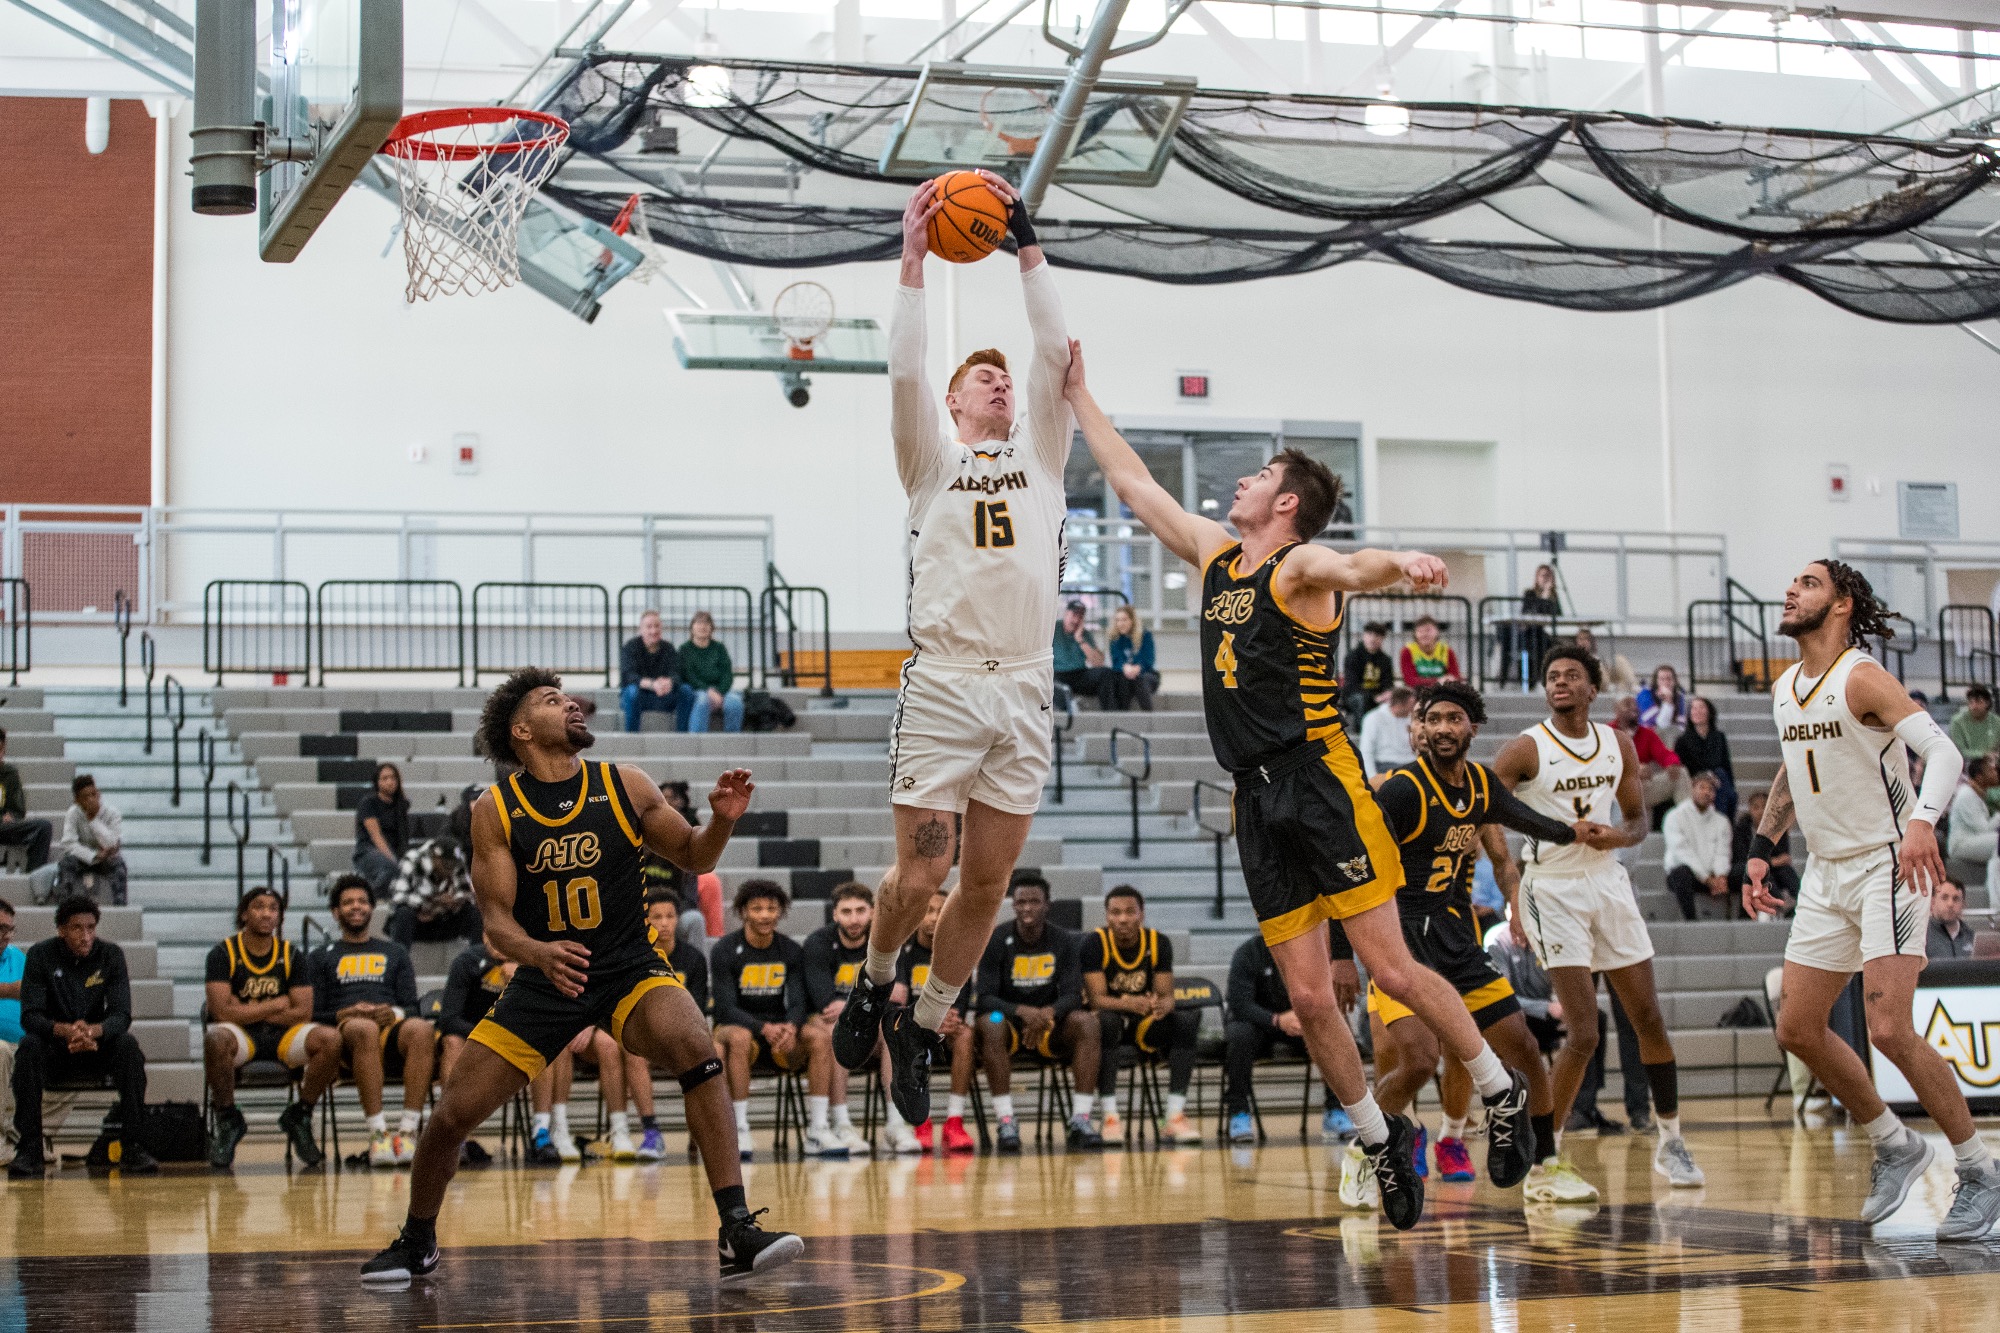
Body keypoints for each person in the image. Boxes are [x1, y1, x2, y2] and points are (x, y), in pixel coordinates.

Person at [1062, 348, 1535, 1233]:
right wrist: (1079, 393)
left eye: (1259, 474)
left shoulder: (1299, 567)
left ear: (1285, 504)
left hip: (1322, 782)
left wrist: (1407, 562)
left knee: (1392, 966)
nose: (1239, 480)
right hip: (1253, 795)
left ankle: (1503, 1091)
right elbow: (1130, 484)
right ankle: (1377, 1138)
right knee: (1313, 997)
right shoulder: (1214, 556)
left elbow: (1355, 567)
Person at [362, 670, 798, 1284]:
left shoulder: (624, 783)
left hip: (628, 967)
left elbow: (695, 855)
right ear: (521, 731)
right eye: (551, 700)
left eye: (567, 697)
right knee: (450, 1118)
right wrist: (538, 953)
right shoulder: (496, 810)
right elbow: (496, 925)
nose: (570, 704)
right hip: (548, 979)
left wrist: (722, 820)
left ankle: (736, 1231)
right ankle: (417, 1241)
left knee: (697, 1047)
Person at [831, 171, 1074, 1145]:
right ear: (953, 401)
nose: (1002, 381)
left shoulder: (1043, 456)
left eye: (1003, 376)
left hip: (1023, 683)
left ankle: (923, 1024)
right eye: (984, 376)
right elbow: (901, 368)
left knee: (983, 881)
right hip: (943, 680)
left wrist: (1026, 245)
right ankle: (873, 979)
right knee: (919, 869)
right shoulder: (928, 457)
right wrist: (911, 261)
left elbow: (1054, 352)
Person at [1746, 560, 2000, 1241]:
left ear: (1840, 602)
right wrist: (1760, 846)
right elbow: (1793, 773)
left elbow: (1942, 752)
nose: (1791, 588)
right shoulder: (1785, 688)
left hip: (1887, 863)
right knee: (1797, 1027)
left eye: (1807, 582)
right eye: (1790, 579)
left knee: (1889, 1028)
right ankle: (1895, 1143)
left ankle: (1979, 1168)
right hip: (1826, 873)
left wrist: (1922, 822)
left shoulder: (1860, 675)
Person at [1361, 681, 1600, 1205]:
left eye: (1453, 719)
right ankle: (1365, 1152)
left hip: (1459, 943)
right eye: (1433, 719)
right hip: (1401, 943)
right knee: (1417, 1063)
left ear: (1473, 727)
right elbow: (1353, 867)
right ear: (1418, 729)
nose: (1443, 728)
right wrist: (1343, 947)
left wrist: (1571, 833)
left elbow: (1525, 823)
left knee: (1525, 1049)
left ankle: (1542, 1165)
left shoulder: (1481, 786)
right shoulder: (1400, 790)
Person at [1492, 643, 1705, 1189]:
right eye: (1552, 676)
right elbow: (1483, 806)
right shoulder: (1526, 749)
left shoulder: (1619, 744)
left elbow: (1637, 821)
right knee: (1583, 1032)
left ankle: (1672, 1141)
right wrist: (1510, 883)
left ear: (1592, 689)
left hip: (1608, 881)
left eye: (1570, 676)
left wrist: (1618, 836)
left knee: (1649, 1019)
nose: (1559, 682)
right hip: (1553, 888)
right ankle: (1545, 1159)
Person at [8, 896, 153, 1177]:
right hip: (55, 1048)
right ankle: (29, 1149)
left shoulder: (110, 955)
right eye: (77, 928)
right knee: (28, 1047)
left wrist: (92, 1032)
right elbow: (30, 1016)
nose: (85, 936)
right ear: (61, 930)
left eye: (90, 928)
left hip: (96, 1046)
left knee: (129, 1046)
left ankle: (133, 1146)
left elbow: (121, 1015)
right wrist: (65, 1031)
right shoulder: (40, 955)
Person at [308, 876, 435, 1168]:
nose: (356, 907)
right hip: (346, 1035)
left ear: (372, 909)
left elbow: (413, 1006)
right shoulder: (320, 957)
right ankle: (378, 1133)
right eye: (348, 902)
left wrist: (395, 1014)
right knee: (363, 1028)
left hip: (391, 1030)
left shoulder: (395, 952)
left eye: (362, 902)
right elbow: (311, 1013)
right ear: (335, 912)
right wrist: (345, 1013)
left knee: (422, 1028)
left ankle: (407, 1131)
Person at [976, 872, 1101, 1152]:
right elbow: (984, 998)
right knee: (990, 1022)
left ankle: (1080, 1119)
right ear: (1013, 905)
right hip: (1007, 1021)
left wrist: (1046, 1013)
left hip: (1050, 1023)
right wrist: (1022, 1011)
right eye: (1022, 902)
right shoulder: (996, 939)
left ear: (1047, 905)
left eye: (1035, 901)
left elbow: (1072, 995)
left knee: (1085, 1021)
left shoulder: (1065, 941)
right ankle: (1007, 1120)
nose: (1028, 908)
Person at [203, 886, 316, 1169]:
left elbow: (303, 1012)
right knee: (216, 1038)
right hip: (243, 1038)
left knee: (329, 1039)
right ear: (244, 914)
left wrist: (245, 1010)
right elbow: (220, 1012)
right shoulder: (222, 953)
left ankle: (300, 1114)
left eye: (273, 908)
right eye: (258, 906)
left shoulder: (291, 954)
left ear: (280, 916)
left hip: (282, 1037)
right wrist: (275, 1005)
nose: (266, 913)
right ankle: (228, 1120)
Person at [710, 879, 823, 1162]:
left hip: (778, 1031)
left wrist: (791, 1026)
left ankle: (819, 1128)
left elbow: (798, 1000)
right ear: (743, 912)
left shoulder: (790, 951)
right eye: (757, 908)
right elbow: (724, 1007)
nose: (764, 915)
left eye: (771, 908)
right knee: (738, 1038)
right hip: (736, 1027)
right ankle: (740, 1126)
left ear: (780, 912)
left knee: (819, 1037)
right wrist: (763, 1027)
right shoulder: (724, 949)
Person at [1081, 885, 1201, 1146]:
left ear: (1141, 914)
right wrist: (1128, 1003)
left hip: (1143, 1021)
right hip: (1111, 1020)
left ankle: (1174, 1115)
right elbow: (1096, 999)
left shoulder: (1159, 943)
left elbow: (1166, 994)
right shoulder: (1094, 942)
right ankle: (1110, 1116)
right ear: (1107, 916)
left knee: (1187, 1019)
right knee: (1107, 1021)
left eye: (1129, 912)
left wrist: (1163, 1006)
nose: (1122, 919)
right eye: (1115, 912)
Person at [1222, 930, 1348, 1144]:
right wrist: (1277, 1020)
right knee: (1239, 1034)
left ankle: (1335, 1109)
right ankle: (1238, 1112)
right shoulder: (1248, 952)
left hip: (1300, 1023)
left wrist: (1303, 1018)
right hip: (1260, 1025)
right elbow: (1239, 1004)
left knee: (1328, 1031)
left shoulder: (1308, 952)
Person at [890, 888, 977, 1155]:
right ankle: (921, 1121)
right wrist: (926, 1021)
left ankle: (954, 1121)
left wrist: (952, 1018)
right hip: (913, 1026)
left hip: (944, 1029)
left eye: (941, 912)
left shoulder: (958, 950)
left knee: (965, 1035)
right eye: (928, 911)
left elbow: (960, 1000)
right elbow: (898, 1001)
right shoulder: (902, 951)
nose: (934, 918)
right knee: (906, 1034)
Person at [800, 883, 878, 1157]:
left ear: (872, 912)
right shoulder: (818, 942)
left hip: (870, 1023)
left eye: (860, 911)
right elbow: (824, 1001)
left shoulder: (884, 942)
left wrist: (849, 1004)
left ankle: (897, 1123)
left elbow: (898, 996)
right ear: (834, 915)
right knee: (837, 1028)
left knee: (896, 1028)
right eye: (846, 911)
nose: (854, 919)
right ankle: (834, 1124)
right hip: (823, 1022)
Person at [386, 836, 481, 948]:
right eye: (446, 866)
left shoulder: (457, 862)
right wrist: (433, 901)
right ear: (435, 857)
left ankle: (477, 958)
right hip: (418, 922)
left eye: (453, 866)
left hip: (443, 918)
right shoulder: (413, 860)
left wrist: (455, 901)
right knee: (403, 913)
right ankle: (399, 960)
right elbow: (398, 897)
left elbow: (466, 892)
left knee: (475, 912)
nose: (451, 870)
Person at [1662, 772, 1733, 922]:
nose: (1706, 792)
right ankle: (1691, 921)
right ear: (1692, 789)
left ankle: (1745, 919)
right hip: (1689, 876)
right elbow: (1681, 852)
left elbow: (1723, 852)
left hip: (1713, 877)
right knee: (1681, 873)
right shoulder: (1674, 816)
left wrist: (1720, 876)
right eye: (1702, 787)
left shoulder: (1722, 821)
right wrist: (1706, 879)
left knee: (1745, 871)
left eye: (1710, 789)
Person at [1611, 694, 1689, 823]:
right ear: (1616, 710)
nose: (1633, 707)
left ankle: (1689, 824)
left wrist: (1672, 763)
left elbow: (1665, 754)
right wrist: (1633, 770)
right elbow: (1602, 763)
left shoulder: (1647, 734)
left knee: (1680, 773)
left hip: (1642, 788)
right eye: (1627, 704)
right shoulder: (1607, 732)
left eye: (1635, 704)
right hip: (1616, 790)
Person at [54, 776, 125, 906]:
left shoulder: (112, 813)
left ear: (98, 793)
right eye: (85, 797)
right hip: (83, 858)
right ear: (77, 800)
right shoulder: (73, 813)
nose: (91, 799)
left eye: (93, 794)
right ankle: (64, 909)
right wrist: (94, 855)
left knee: (119, 865)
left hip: (106, 859)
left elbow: (112, 844)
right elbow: (68, 843)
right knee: (66, 864)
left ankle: (120, 907)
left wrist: (93, 820)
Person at [619, 610, 685, 733]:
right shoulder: (631, 647)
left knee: (686, 691)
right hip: (638, 696)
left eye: (657, 626)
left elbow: (677, 673)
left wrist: (669, 682)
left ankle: (683, 738)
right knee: (632, 692)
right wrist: (652, 684)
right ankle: (632, 739)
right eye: (649, 627)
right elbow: (628, 675)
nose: (653, 631)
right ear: (641, 629)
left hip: (662, 695)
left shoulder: (668, 648)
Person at [1730, 790, 1798, 911]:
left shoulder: (1778, 828)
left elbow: (1784, 857)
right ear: (1750, 809)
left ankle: (1801, 900)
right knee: (1762, 873)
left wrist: (1770, 862)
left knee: (1786, 871)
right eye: (1756, 807)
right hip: (1743, 869)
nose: (1761, 811)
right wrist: (1772, 862)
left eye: (1764, 807)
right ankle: (1781, 904)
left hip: (1769, 867)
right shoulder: (1741, 829)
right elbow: (1741, 857)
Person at [680, 611, 744, 734]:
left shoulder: (719, 648)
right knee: (702, 701)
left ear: (712, 628)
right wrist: (708, 691)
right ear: (692, 628)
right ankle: (696, 744)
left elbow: (727, 674)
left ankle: (732, 743)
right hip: (698, 690)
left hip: (720, 690)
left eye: (706, 623)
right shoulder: (685, 649)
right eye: (698, 622)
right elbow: (689, 676)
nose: (702, 626)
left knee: (735, 703)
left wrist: (719, 692)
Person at [352, 763, 409, 897]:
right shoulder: (368, 803)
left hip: (393, 851)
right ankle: (368, 897)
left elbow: (403, 837)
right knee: (391, 869)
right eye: (385, 778)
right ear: (377, 782)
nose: (390, 782)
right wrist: (394, 861)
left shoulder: (401, 805)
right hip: (368, 851)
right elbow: (376, 836)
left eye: (393, 778)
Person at [1946, 754, 1999, 896]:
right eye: (1991, 770)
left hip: (1972, 839)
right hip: (1960, 845)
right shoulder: (1966, 795)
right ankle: (1996, 898)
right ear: (1979, 776)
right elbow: (1983, 829)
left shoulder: (1975, 794)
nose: (1995, 773)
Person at [1674, 696, 1735, 819]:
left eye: (1701, 707)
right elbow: (1684, 767)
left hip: (1717, 779)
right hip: (1693, 781)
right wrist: (1707, 777)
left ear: (1709, 712)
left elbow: (1725, 763)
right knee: (1719, 777)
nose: (1697, 711)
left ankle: (1722, 823)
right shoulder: (1682, 740)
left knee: (1724, 780)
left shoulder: (1719, 737)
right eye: (1694, 708)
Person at [0, 732, 51, 873]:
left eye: (0, 750)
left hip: (4, 828)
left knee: (43, 827)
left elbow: (18, 810)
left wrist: (12, 816)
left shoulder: (9, 774)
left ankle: (34, 877)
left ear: (4, 750)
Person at [1052, 600, 1113, 707]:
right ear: (1066, 614)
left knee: (1105, 673)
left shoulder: (1084, 634)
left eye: (1080, 617)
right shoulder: (1053, 629)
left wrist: (1080, 639)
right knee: (1051, 682)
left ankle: (1110, 715)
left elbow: (1098, 662)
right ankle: (1067, 712)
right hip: (1057, 674)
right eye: (1074, 615)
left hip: (1079, 674)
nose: (1076, 620)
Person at [1104, 605, 1159, 712]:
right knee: (1121, 681)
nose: (1120, 623)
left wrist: (1137, 669)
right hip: (1125, 676)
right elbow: (1116, 660)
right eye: (1118, 620)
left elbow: (1149, 660)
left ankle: (1149, 717)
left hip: (1146, 675)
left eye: (1124, 620)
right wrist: (1125, 668)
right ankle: (1122, 717)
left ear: (1132, 620)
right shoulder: (1115, 638)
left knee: (1139, 679)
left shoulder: (1145, 635)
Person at [1358, 685, 1417, 781]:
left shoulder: (1412, 718)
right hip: (1386, 765)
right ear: (1401, 704)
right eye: (1411, 705)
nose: (1413, 708)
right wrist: (1372, 777)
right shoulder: (1373, 718)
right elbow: (1366, 750)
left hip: (1412, 764)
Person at [1340, 622, 1395, 719]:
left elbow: (1388, 683)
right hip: (1355, 696)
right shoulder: (1353, 657)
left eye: (1377, 636)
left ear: (1382, 639)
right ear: (1363, 636)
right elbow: (1352, 685)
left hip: (1378, 696)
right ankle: (1362, 732)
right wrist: (1373, 697)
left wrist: (1387, 693)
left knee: (1395, 699)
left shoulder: (1385, 660)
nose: (1373, 639)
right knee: (1361, 699)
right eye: (1369, 634)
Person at [0, 901, 19, 1167]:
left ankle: (28, 1136)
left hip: (21, 1046)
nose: (6, 935)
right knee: (0, 1051)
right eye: (0, 928)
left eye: (10, 929)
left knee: (73, 1048)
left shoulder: (19, 957)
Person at [1399, 616, 1462, 688]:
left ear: (1437, 632)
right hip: (1417, 691)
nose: (1424, 634)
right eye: (1420, 631)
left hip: (1442, 691)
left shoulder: (1446, 650)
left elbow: (1455, 678)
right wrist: (1439, 681)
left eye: (1428, 630)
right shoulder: (1408, 651)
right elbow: (1410, 681)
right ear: (1415, 634)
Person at [1572, 628, 1637, 694]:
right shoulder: (1572, 658)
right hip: (1591, 682)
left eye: (1586, 639)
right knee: (1596, 665)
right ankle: (1612, 688)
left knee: (1619, 660)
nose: (1583, 642)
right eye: (1581, 639)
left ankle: (1632, 686)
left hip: (1604, 679)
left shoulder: (1595, 657)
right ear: (1576, 641)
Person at [1928, 879, 1976, 961]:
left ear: (1963, 905)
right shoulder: (1921, 937)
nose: (1950, 904)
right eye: (1944, 897)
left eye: (1956, 899)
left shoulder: (1972, 937)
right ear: (1932, 902)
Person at [1949, 684, 2000, 760]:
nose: (1974, 706)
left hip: (1992, 761)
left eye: (1979, 702)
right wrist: (1983, 754)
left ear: (1987, 703)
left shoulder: (1996, 721)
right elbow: (1959, 750)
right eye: (1971, 702)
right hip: (1967, 762)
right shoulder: (1957, 721)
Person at [1636, 664, 1688, 731]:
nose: (1666, 682)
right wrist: (1668, 701)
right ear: (1656, 681)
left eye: (1669, 679)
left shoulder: (1679, 696)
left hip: (1669, 737)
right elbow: (1660, 724)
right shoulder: (1645, 694)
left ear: (1675, 681)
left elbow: (1681, 726)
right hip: (1648, 735)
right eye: (1662, 679)